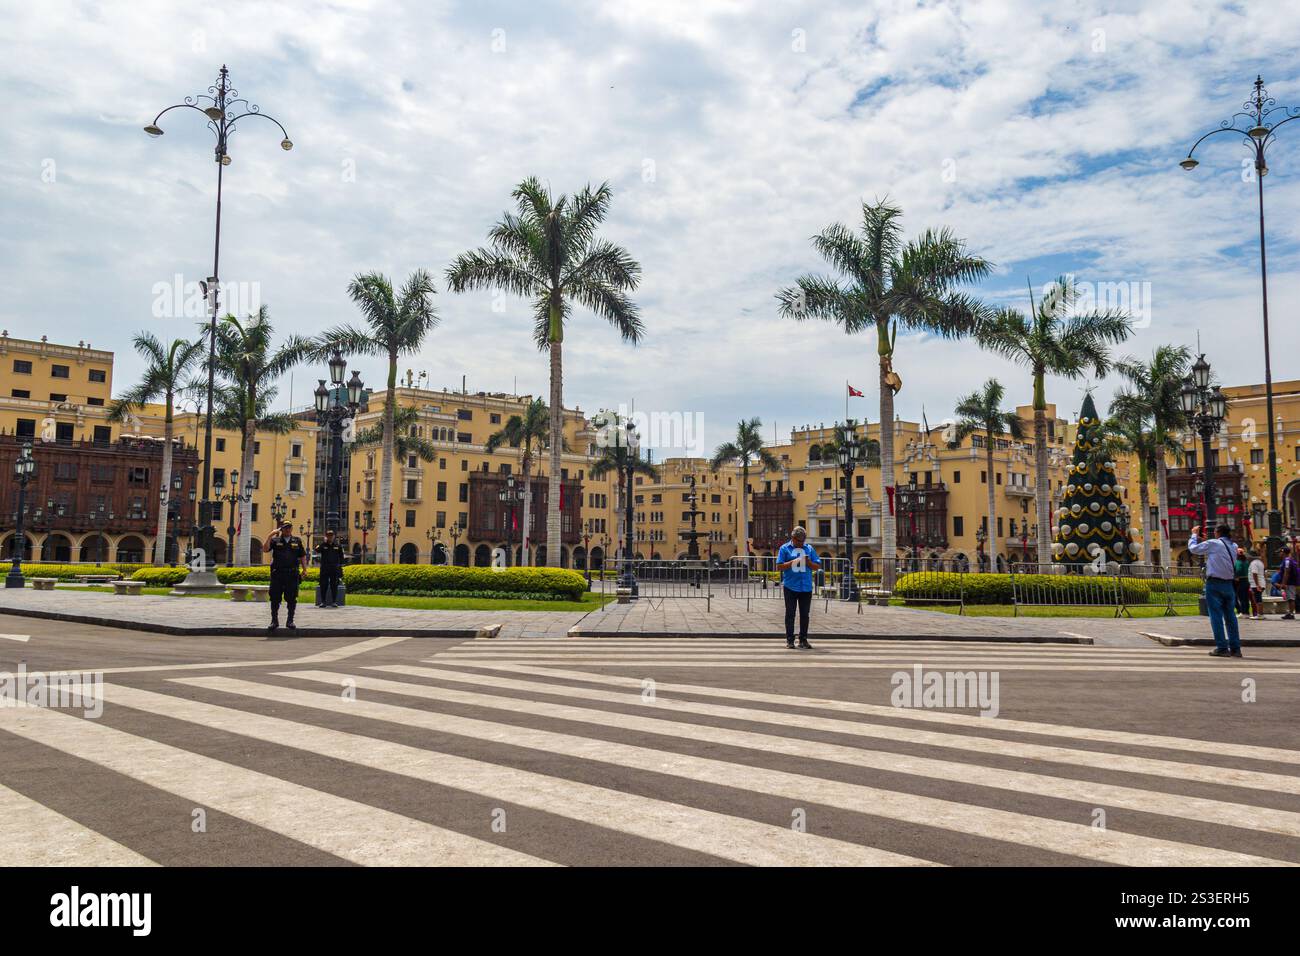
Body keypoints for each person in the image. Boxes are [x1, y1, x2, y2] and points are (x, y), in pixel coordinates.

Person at [1187, 524, 1242, 658]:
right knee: (1230, 617)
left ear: (1217, 532)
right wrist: (1208, 541)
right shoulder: (1234, 546)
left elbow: (1193, 549)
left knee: (1216, 616)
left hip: (1214, 584)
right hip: (1228, 585)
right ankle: (1235, 648)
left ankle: (1222, 647)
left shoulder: (1214, 544)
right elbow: (1219, 549)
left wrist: (1194, 534)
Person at [776, 526, 821, 649]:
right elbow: (779, 566)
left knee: (805, 614)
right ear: (793, 538)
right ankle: (790, 640)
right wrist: (793, 562)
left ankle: (803, 639)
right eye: (798, 541)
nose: (801, 543)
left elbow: (817, 566)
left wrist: (809, 563)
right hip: (790, 586)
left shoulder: (809, 548)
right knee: (790, 614)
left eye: (803, 541)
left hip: (806, 587)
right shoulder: (784, 548)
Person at [263, 520, 307, 633]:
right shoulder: (275, 540)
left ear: (292, 529)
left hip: (292, 574)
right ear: (281, 529)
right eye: (285, 528)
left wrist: (305, 569)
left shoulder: (297, 541)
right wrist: (270, 535)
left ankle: (290, 621)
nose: (287, 529)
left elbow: (302, 556)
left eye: (289, 527)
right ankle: (274, 621)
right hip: (277, 574)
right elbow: (265, 549)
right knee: (275, 598)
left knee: (292, 599)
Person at [314, 529, 347, 608]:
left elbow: (341, 557)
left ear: (334, 536)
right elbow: (317, 550)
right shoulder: (323, 545)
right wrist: (324, 542)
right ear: (326, 536)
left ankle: (334, 601)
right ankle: (323, 602)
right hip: (325, 568)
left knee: (334, 585)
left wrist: (340, 566)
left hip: (334, 568)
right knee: (323, 584)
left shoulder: (338, 546)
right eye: (328, 535)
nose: (330, 537)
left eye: (331, 535)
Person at [1280, 545, 1300, 620]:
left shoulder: (1287, 560)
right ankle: (1290, 613)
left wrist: (1283, 583)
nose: (1280, 554)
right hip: (1290, 582)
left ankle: (1291, 614)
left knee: (1291, 598)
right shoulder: (1289, 559)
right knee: (1289, 598)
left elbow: (1287, 572)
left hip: (1290, 582)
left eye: (1281, 552)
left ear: (1283, 552)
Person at [1247, 549, 1267, 620]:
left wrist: (1257, 585)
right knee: (1258, 599)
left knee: (1258, 599)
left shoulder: (1254, 563)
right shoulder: (1260, 562)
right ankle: (1260, 614)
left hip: (1257, 584)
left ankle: (1259, 615)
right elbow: (1264, 573)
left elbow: (1254, 573)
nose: (1248, 557)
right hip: (1260, 583)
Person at [1233, 546, 1252, 618]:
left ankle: (1243, 612)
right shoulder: (1246, 561)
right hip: (1247, 580)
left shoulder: (1238, 562)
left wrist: (1236, 576)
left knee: (1241, 597)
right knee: (1246, 597)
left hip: (1240, 581)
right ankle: (1247, 612)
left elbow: (1238, 570)